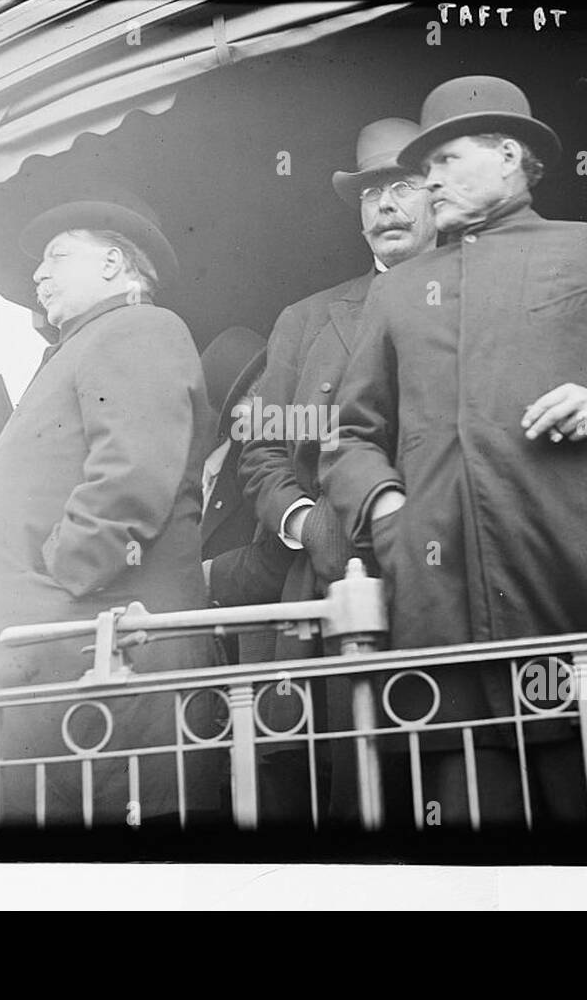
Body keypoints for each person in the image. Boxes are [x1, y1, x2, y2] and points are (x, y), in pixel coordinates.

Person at [320, 76, 587, 830]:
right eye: (423, 165)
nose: (427, 179)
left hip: (582, 591)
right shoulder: (398, 291)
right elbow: (351, 436)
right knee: (478, 849)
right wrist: (392, 511)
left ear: (510, 155)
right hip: (447, 606)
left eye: (446, 158)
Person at [0, 192, 225, 828]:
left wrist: (55, 586)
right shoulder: (86, 343)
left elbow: (130, 476)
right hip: (70, 670)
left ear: (112, 263)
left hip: (103, 667)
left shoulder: (137, 328)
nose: (38, 274)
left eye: (57, 256)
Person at [237, 117, 438, 822]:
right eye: (370, 193)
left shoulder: (481, 297)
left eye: (403, 186)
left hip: (462, 584)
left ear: (439, 193)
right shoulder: (309, 319)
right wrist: (302, 519)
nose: (384, 205)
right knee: (355, 797)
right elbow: (261, 446)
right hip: (336, 589)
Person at [198, 326, 293, 662]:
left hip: (270, 653)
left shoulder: (282, 454)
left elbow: (283, 559)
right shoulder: (218, 468)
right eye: (246, 397)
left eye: (260, 390)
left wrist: (208, 576)